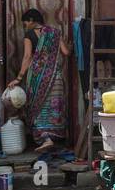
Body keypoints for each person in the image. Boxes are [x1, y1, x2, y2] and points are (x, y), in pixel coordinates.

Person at [6, 9, 71, 153]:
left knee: (37, 110)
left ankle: (45, 139)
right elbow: (66, 52)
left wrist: (18, 78)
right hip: (56, 78)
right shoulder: (55, 33)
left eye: (25, 23)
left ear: (31, 20)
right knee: (54, 108)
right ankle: (56, 140)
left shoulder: (29, 35)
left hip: (37, 78)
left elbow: (27, 57)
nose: (25, 26)